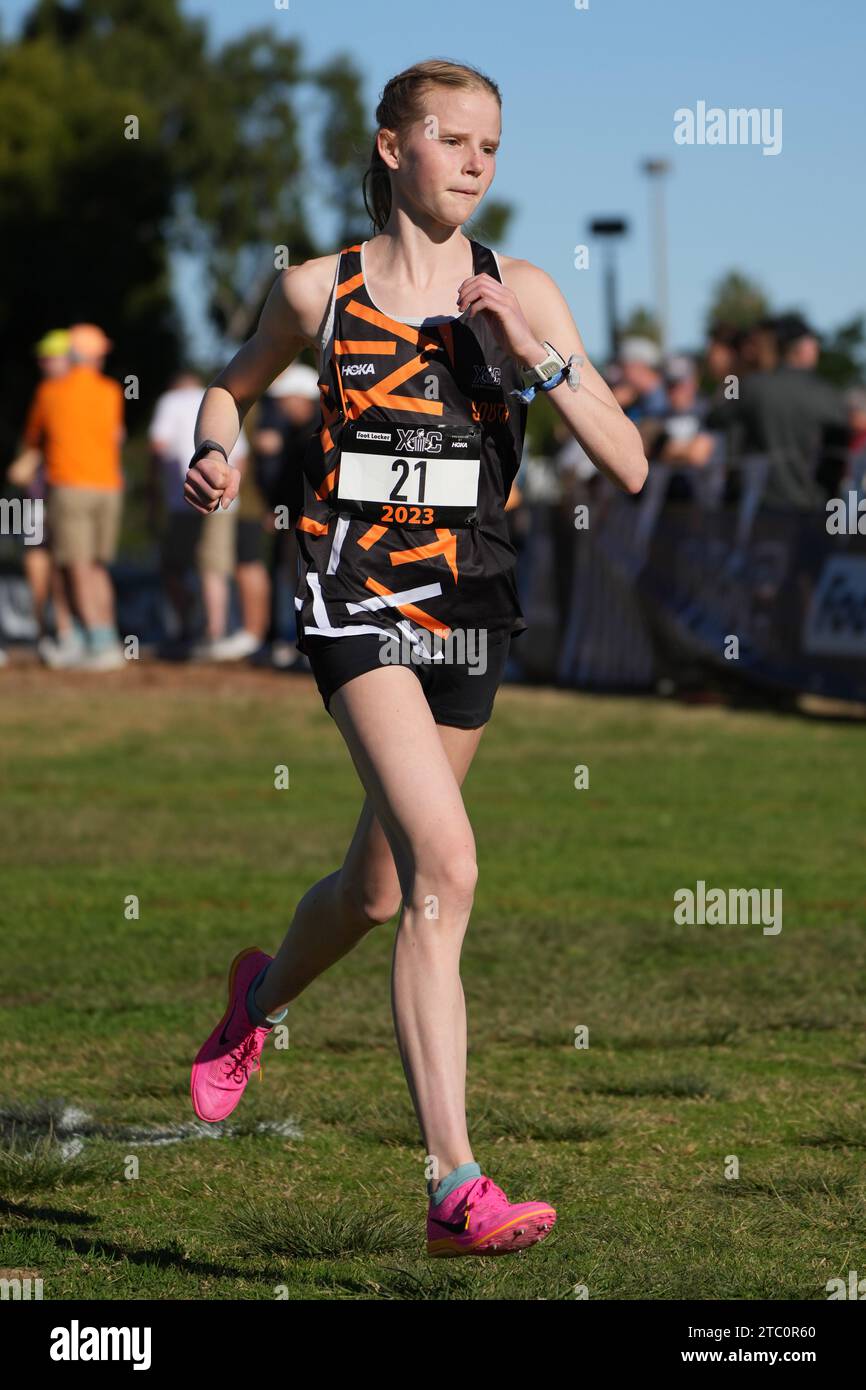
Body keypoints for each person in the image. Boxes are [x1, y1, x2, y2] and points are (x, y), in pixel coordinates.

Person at [184, 58, 647, 1257]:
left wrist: (529, 352)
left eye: (493, 144)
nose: (479, 163)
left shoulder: (521, 287)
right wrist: (215, 454)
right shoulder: (316, 289)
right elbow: (227, 388)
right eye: (455, 140)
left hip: (473, 610)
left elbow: (629, 462)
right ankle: (454, 1182)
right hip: (352, 600)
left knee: (379, 891)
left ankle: (254, 1002)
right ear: (393, 149)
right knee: (446, 863)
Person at [21, 322, 126, 669]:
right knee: (97, 567)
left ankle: (96, 643)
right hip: (109, 487)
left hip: (70, 487)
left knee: (76, 567)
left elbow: (33, 440)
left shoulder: (51, 392)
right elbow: (115, 437)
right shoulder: (111, 391)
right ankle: (106, 635)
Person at [147, 369, 248, 657]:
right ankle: (214, 633)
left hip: (184, 498)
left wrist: (153, 493)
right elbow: (241, 456)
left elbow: (158, 447)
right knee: (214, 568)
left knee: (173, 565)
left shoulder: (170, 401)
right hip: (223, 498)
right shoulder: (225, 402)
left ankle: (187, 625)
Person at [6, 328, 77, 666]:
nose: (44, 362)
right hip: (37, 497)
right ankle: (44, 633)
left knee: (66, 562)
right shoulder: (45, 393)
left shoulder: (79, 393)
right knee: (36, 558)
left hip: (68, 492)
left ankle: (65, 631)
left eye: (52, 356)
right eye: (43, 356)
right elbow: (33, 442)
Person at [730, 314, 849, 509]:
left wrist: (733, 373)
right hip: (814, 511)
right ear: (805, 348)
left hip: (762, 510)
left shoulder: (750, 386)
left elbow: (718, 415)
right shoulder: (829, 394)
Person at [248, 363, 321, 668]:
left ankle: (306, 644)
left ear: (303, 399)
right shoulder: (294, 434)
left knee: (306, 581)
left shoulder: (320, 433)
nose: (280, 408)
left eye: (285, 401)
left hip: (313, 523)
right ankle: (285, 641)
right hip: (291, 519)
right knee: (287, 575)